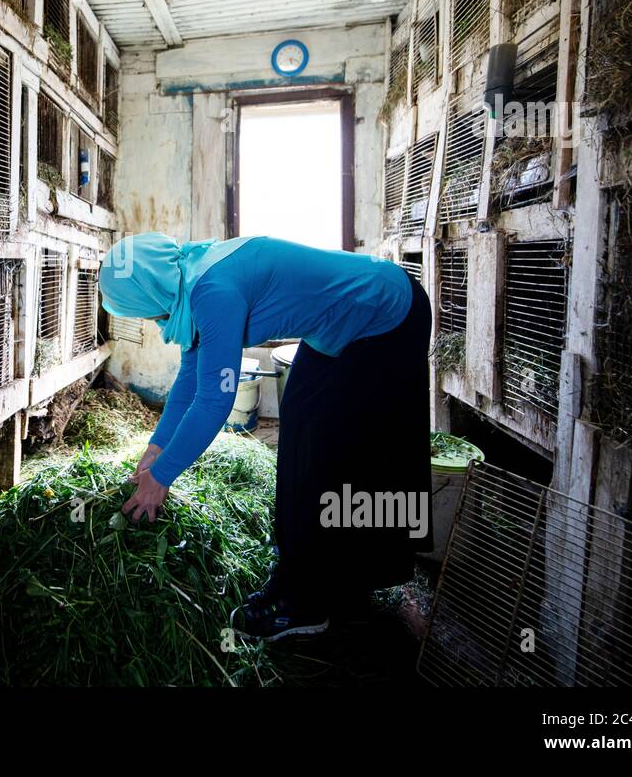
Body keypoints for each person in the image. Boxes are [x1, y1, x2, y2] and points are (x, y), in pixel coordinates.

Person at [98, 232, 433, 640]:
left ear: (150, 290)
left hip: (384, 315)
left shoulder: (212, 290)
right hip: (342, 324)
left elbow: (213, 401)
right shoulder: (192, 279)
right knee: (303, 428)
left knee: (330, 449)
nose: (152, 321)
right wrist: (155, 450)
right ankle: (317, 570)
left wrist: (162, 479)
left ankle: (309, 601)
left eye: (144, 312)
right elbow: (190, 381)